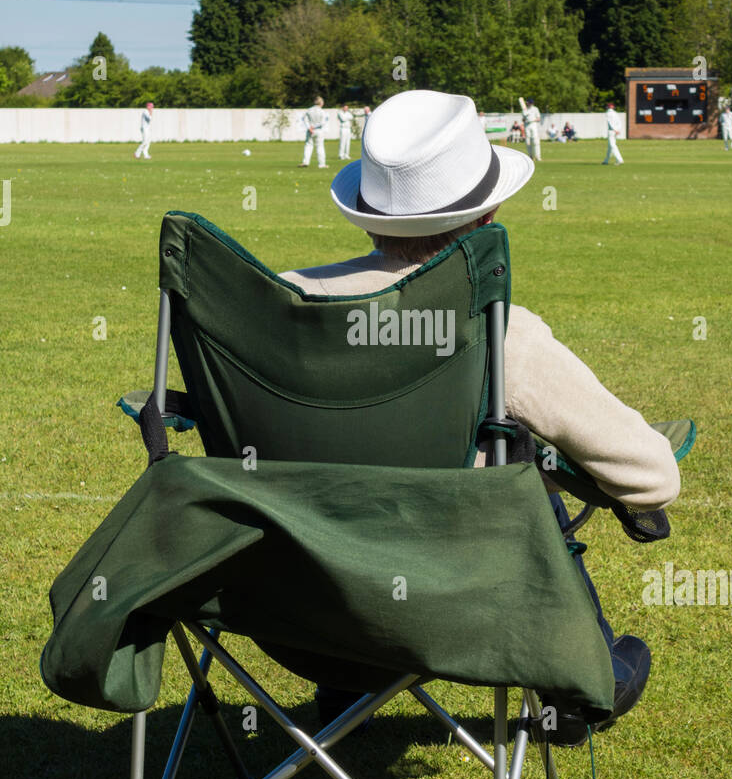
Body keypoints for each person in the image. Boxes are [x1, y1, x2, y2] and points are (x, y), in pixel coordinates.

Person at [281, 90, 679, 742]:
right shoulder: (500, 331)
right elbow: (652, 477)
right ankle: (579, 680)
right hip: (461, 599)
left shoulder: (282, 304)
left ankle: (346, 688)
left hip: (300, 605)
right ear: (489, 213)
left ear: (369, 215)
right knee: (514, 474)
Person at [299, 96, 328, 169]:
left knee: (308, 145)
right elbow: (323, 122)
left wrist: (309, 127)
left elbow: (304, 119)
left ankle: (306, 162)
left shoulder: (309, 110)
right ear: (321, 103)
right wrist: (314, 127)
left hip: (310, 131)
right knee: (320, 146)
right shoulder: (322, 111)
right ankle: (322, 164)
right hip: (319, 130)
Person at [520, 97, 541, 162]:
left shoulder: (535, 109)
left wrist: (532, 120)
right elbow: (523, 119)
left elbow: (538, 119)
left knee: (535, 142)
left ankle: (538, 157)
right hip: (527, 126)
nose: (530, 104)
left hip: (533, 125)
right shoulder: (524, 110)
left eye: (531, 103)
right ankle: (530, 156)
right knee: (528, 142)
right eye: (529, 103)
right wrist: (525, 118)